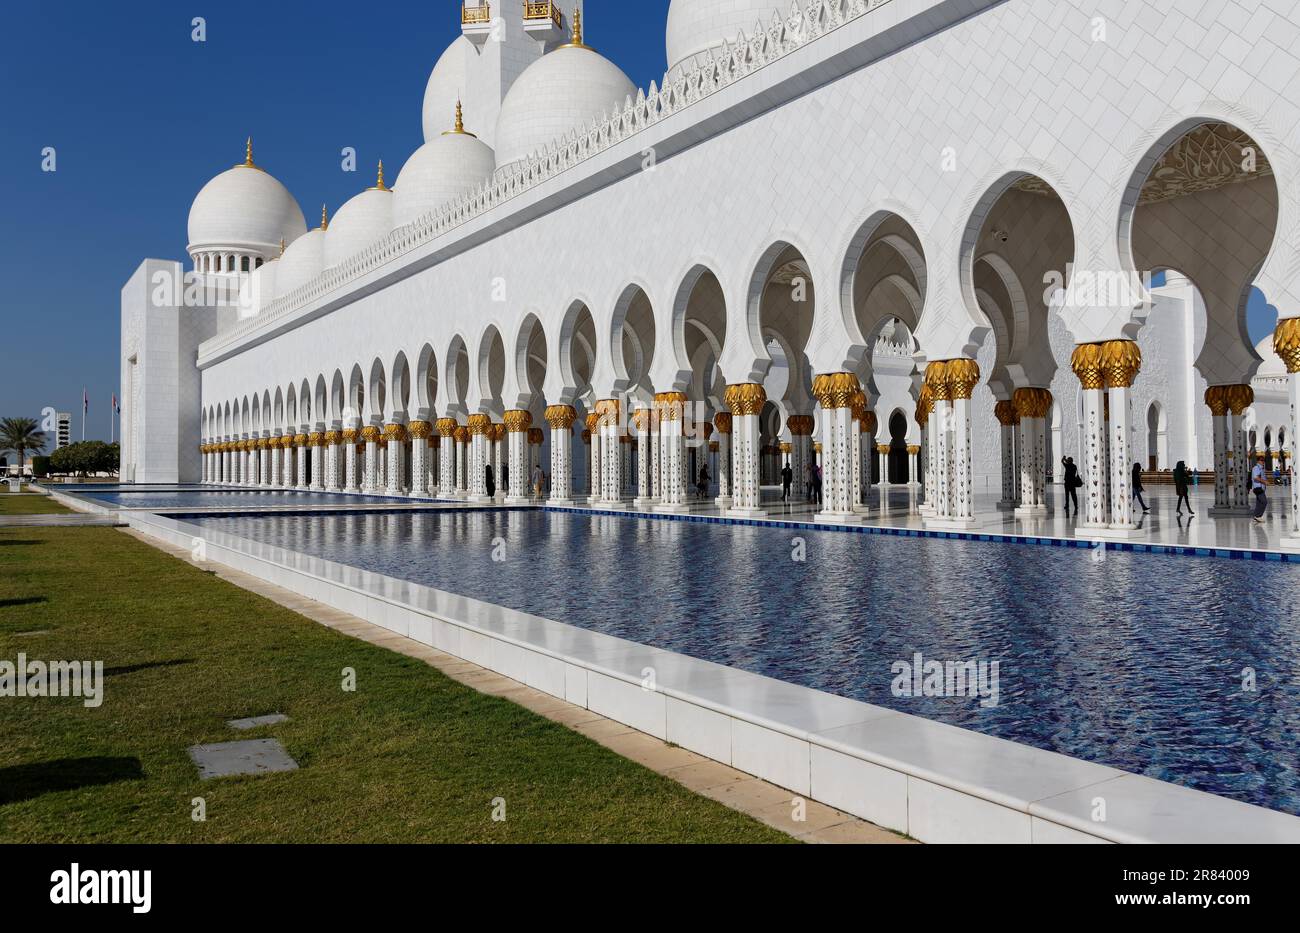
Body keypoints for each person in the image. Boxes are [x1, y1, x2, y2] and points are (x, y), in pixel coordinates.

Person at [1251, 455, 1268, 523]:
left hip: (1261, 488)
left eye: (1264, 460)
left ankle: (1255, 516)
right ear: (1258, 461)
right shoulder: (1256, 468)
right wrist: (1264, 481)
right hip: (1258, 488)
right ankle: (1258, 516)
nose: (1263, 461)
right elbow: (1256, 477)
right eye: (1261, 460)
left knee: (1259, 503)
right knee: (1264, 502)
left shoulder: (1261, 468)